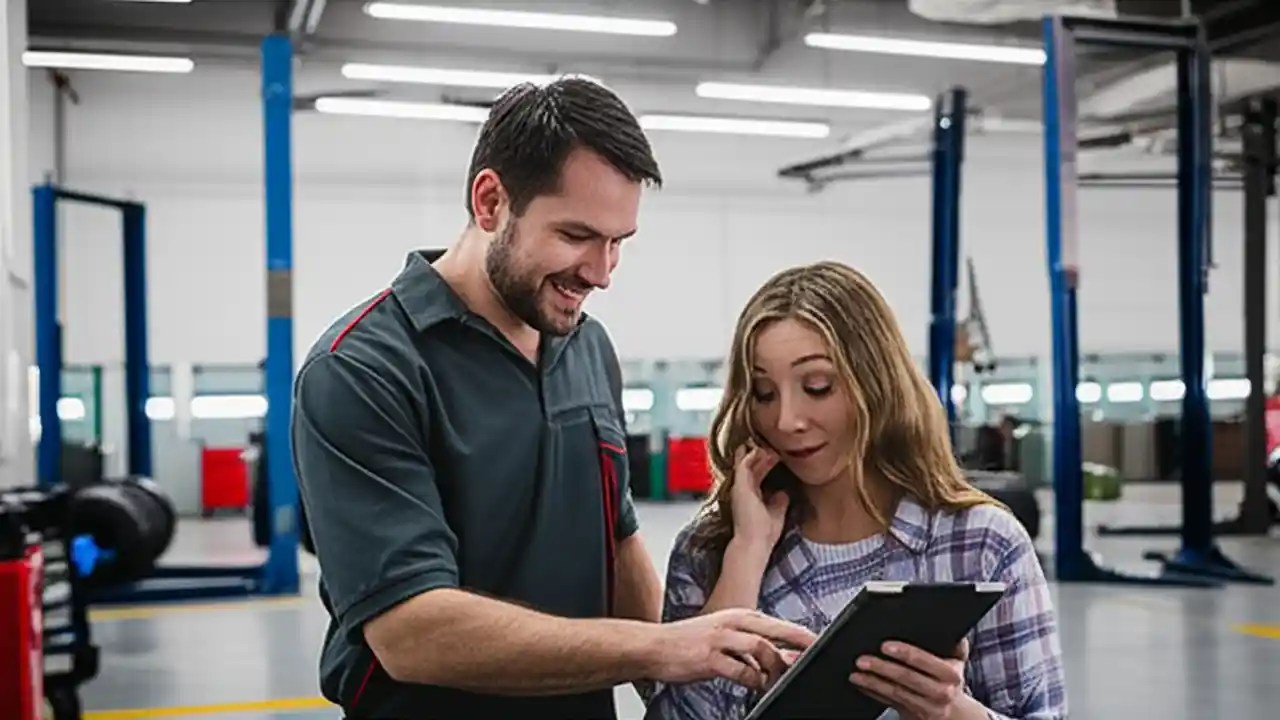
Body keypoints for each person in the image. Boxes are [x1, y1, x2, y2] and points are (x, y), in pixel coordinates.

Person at [290, 77, 817, 719]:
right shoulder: (362, 369)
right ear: (490, 202)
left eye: (618, 241)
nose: (601, 272)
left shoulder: (587, 349)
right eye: (576, 235)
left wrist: (698, 665)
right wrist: (657, 649)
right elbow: (411, 633)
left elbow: (618, 542)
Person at [645, 261, 1068, 720]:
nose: (787, 421)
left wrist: (952, 711)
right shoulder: (709, 551)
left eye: (818, 387)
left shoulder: (982, 542)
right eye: (764, 393)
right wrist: (747, 554)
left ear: (876, 383)